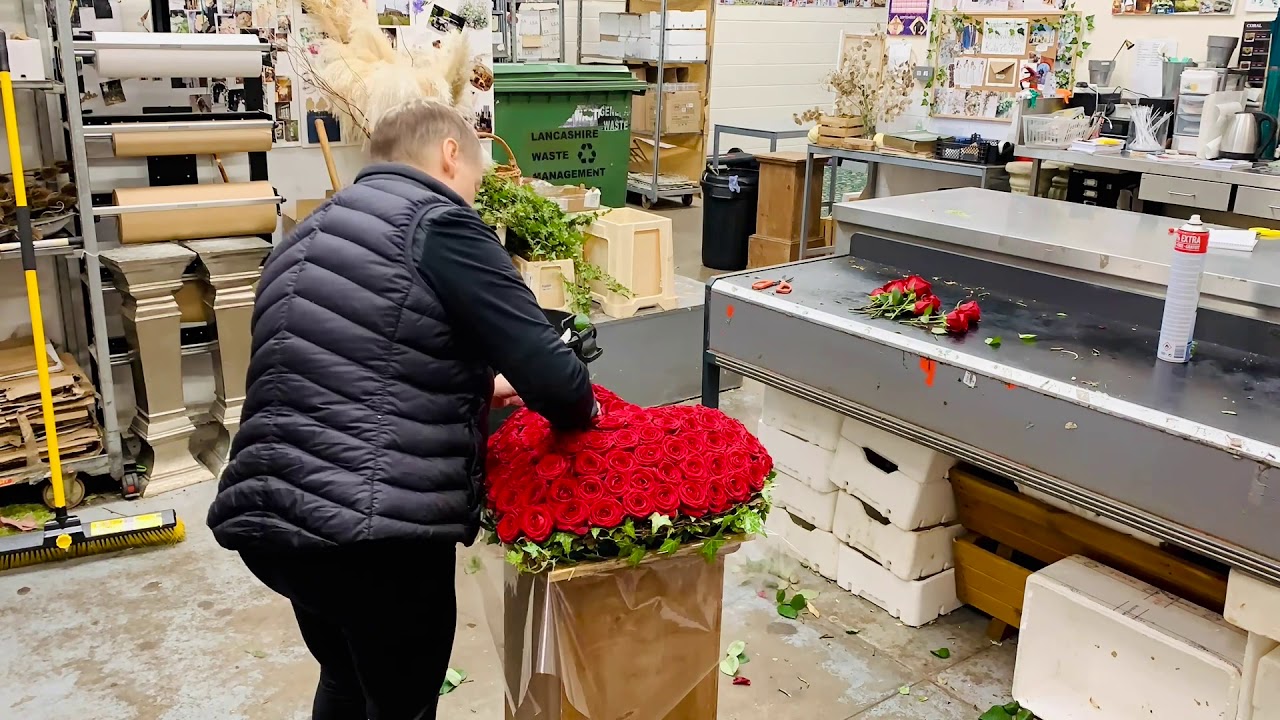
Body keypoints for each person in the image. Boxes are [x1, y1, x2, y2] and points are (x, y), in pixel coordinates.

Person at [206, 99, 597, 720]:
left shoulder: (308, 231)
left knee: (346, 674)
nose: (475, 192)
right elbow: (555, 377)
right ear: (450, 153)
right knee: (401, 703)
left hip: (274, 522)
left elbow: (354, 361)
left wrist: (472, 387)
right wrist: (585, 416)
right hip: (375, 537)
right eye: (477, 173)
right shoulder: (439, 223)